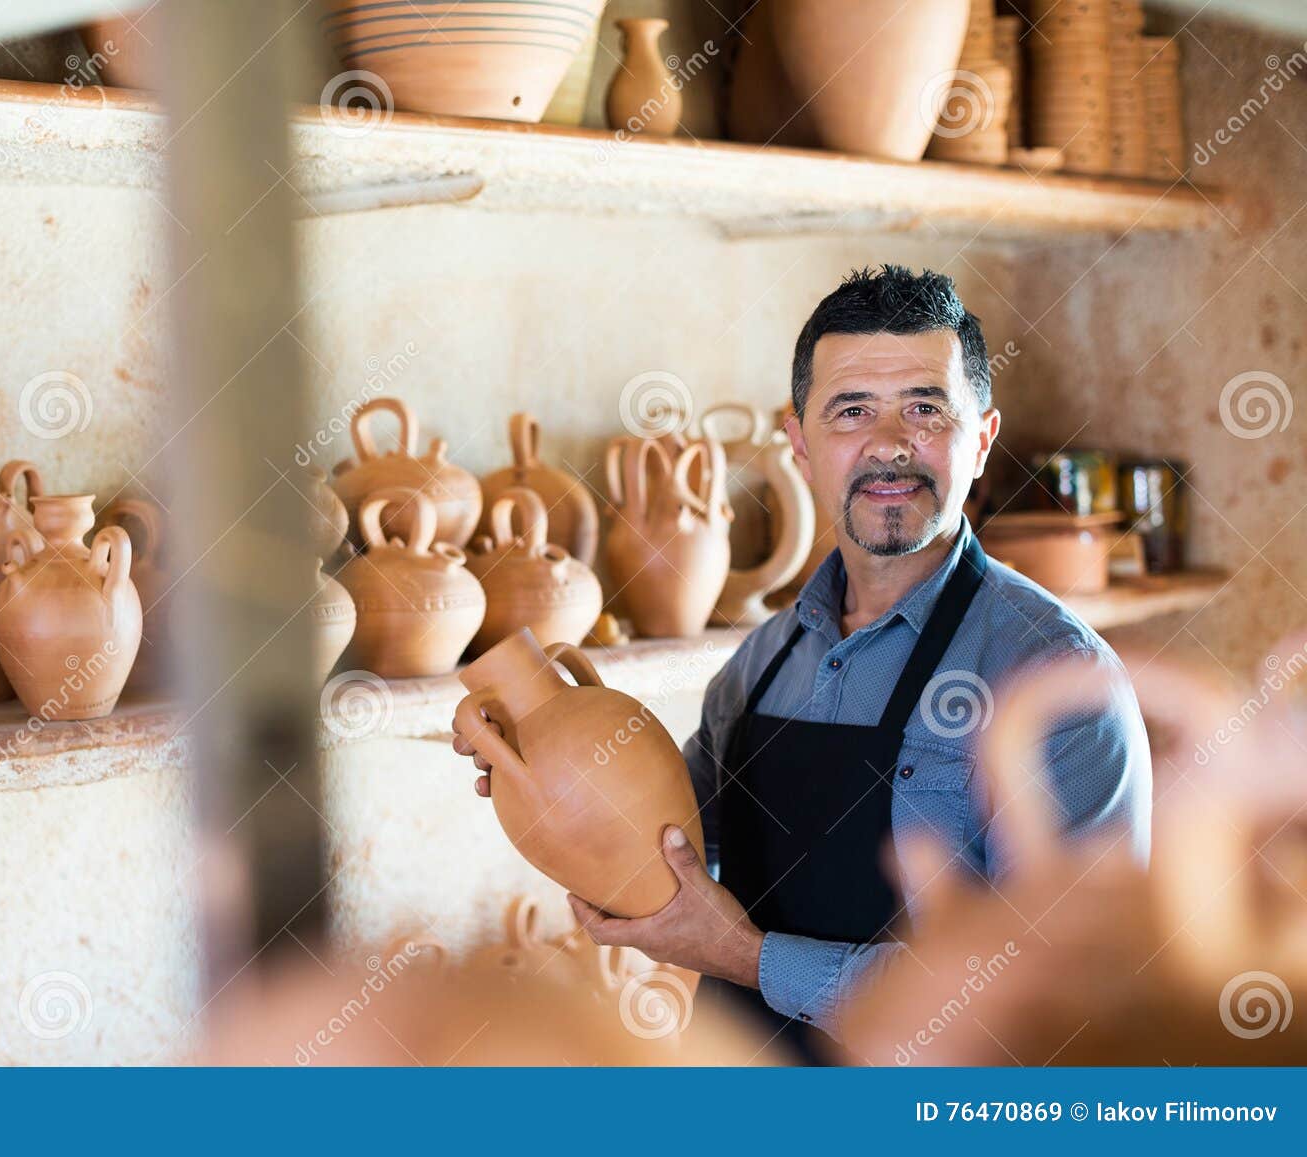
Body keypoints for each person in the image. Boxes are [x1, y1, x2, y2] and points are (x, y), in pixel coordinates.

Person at [453, 265, 1152, 1059]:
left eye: (925, 408)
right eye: (852, 411)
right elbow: (660, 855)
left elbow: (1063, 990)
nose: (889, 444)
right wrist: (535, 748)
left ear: (983, 438)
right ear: (800, 445)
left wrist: (747, 957)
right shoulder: (761, 661)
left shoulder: (1057, 680)